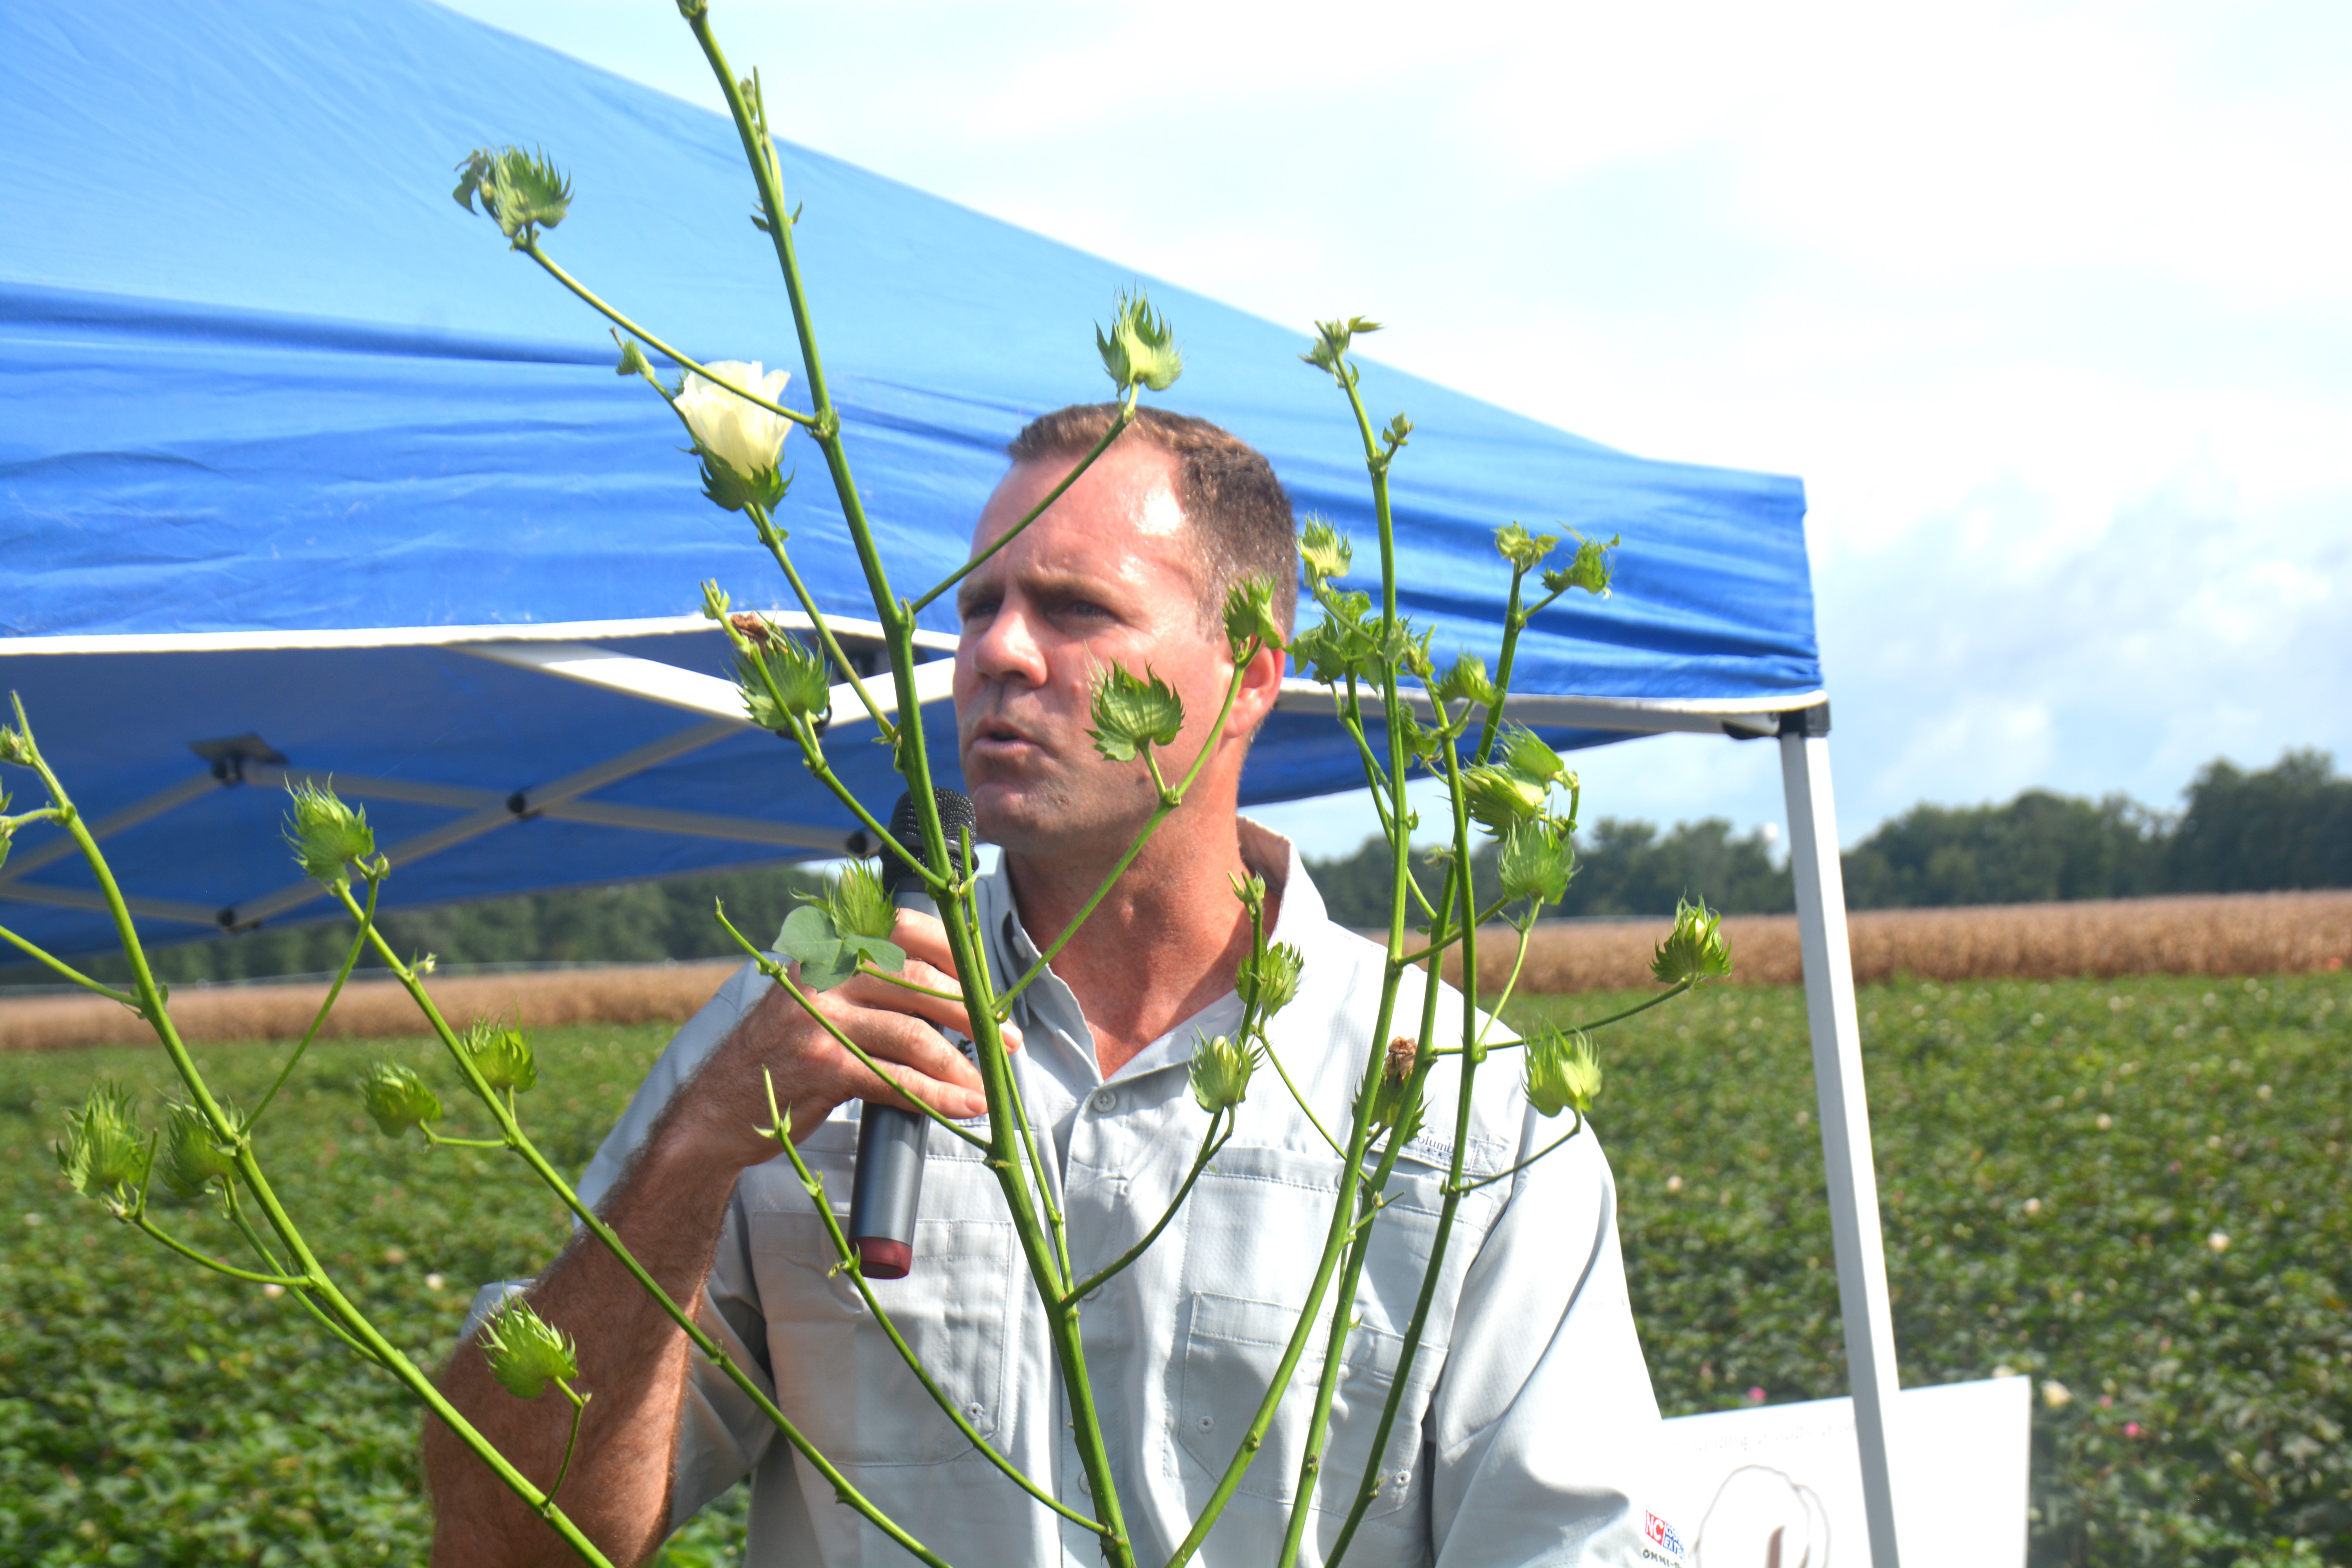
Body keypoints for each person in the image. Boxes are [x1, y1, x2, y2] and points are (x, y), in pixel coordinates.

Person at [425, 406, 1667, 1568]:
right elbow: (508, 1541)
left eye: (1073, 609)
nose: (998, 654)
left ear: (1250, 673)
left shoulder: (1470, 1109)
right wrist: (695, 1152)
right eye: (977, 608)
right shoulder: (802, 1032)